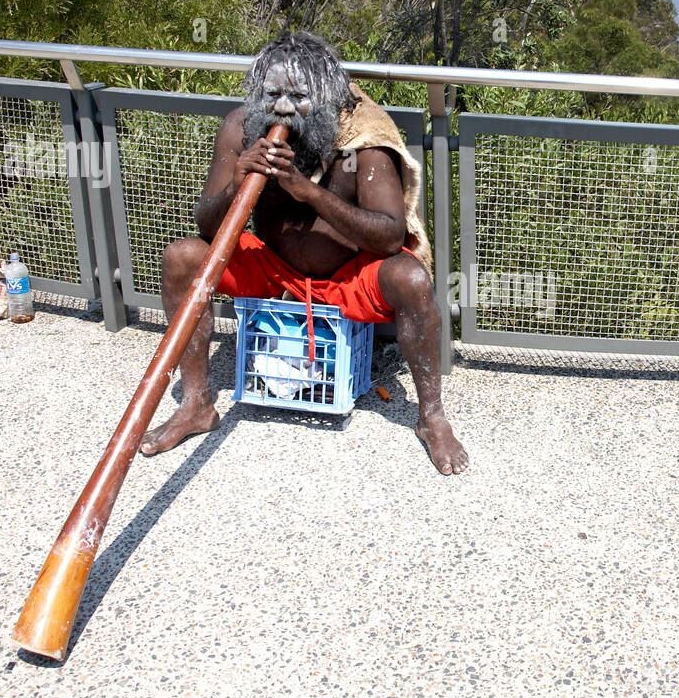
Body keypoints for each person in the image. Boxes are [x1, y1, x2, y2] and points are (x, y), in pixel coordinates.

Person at [139, 31, 468, 475]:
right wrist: (237, 185)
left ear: (329, 98)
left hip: (347, 276)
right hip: (274, 271)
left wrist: (306, 192)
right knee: (183, 256)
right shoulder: (241, 128)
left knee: (410, 278)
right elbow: (208, 228)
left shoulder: (363, 136)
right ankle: (196, 404)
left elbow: (390, 235)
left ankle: (432, 418)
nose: (283, 109)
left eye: (299, 96)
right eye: (272, 94)